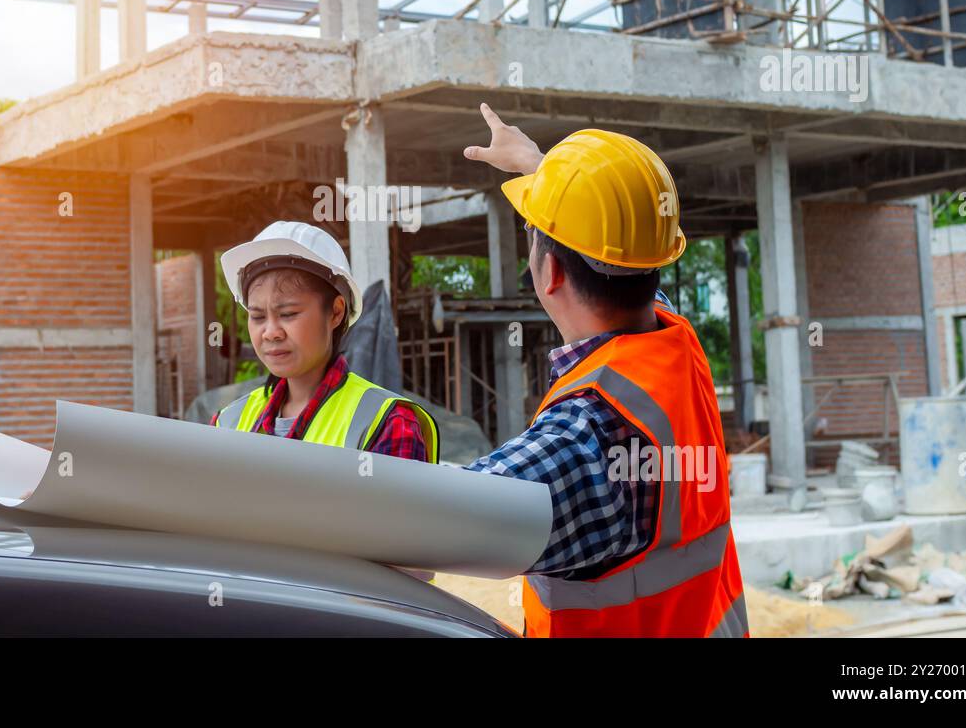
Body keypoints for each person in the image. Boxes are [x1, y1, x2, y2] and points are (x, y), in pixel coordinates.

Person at [462, 103, 747, 638]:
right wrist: (537, 164)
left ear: (547, 272)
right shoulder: (676, 348)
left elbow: (439, 517)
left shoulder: (586, 435)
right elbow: (623, 249)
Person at [211, 221, 439, 463]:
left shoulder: (387, 423)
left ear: (336, 312)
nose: (270, 332)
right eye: (257, 316)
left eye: (288, 314)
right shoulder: (228, 422)